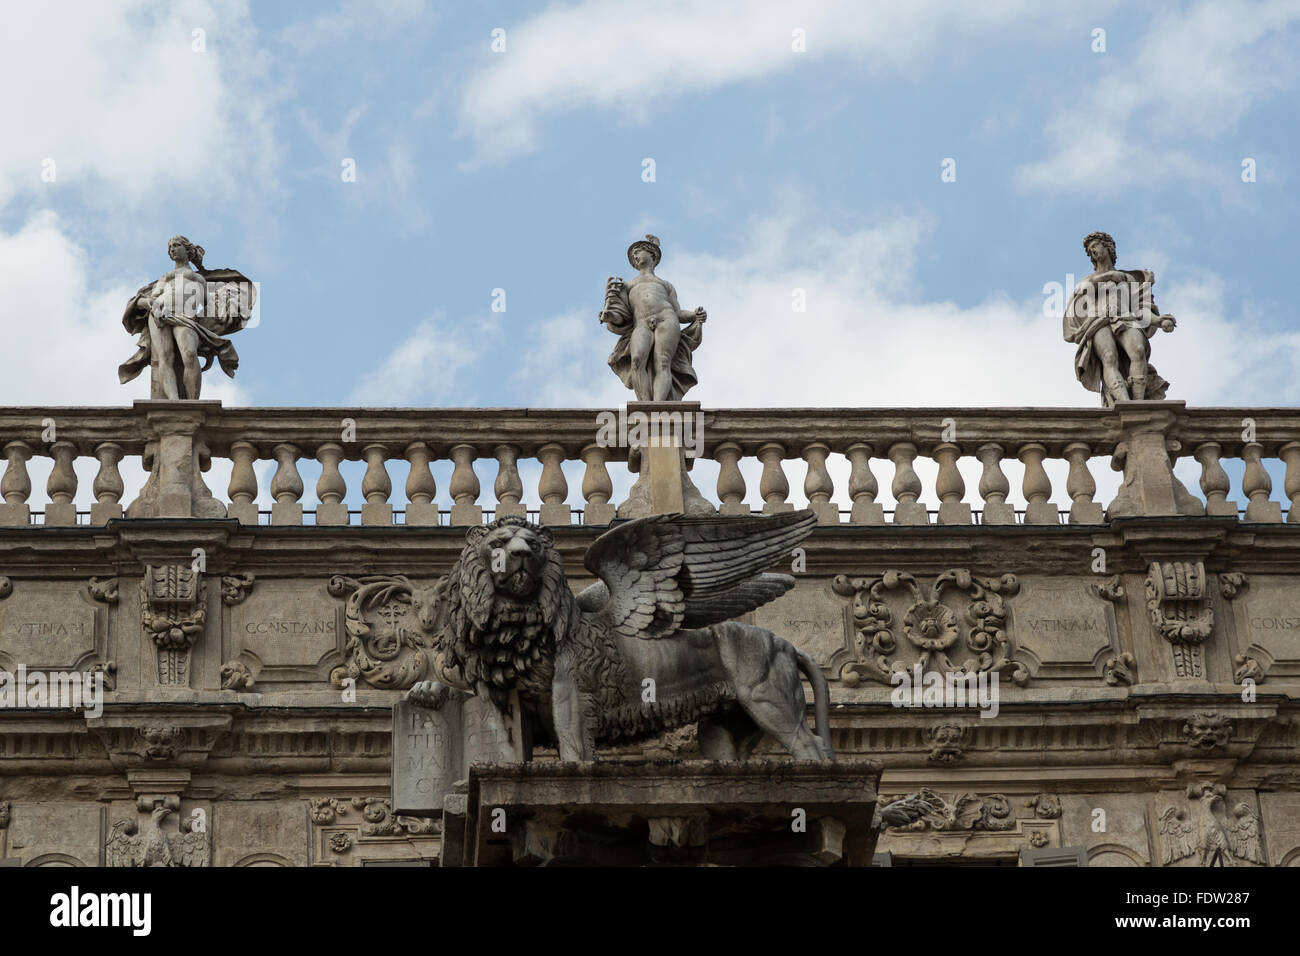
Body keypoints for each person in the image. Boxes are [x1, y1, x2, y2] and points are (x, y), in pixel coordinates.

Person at [1063, 231, 1175, 406]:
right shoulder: (1089, 279)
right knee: (1109, 357)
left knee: (1138, 351)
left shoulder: (1128, 278)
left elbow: (1140, 310)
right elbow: (1082, 290)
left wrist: (1158, 321)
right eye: (1090, 250)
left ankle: (1137, 404)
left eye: (1095, 247)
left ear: (1107, 247)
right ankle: (1124, 403)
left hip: (1126, 318)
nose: (1092, 252)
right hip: (1099, 321)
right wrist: (1108, 276)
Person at [599, 235, 705, 402]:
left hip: (667, 319)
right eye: (633, 255)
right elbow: (622, 318)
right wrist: (610, 315)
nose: (635, 257)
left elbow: (678, 313)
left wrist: (694, 314)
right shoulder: (627, 286)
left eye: (638, 252)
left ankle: (659, 405)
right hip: (641, 323)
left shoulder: (665, 284)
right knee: (636, 361)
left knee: (662, 362)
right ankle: (645, 404)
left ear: (652, 255)